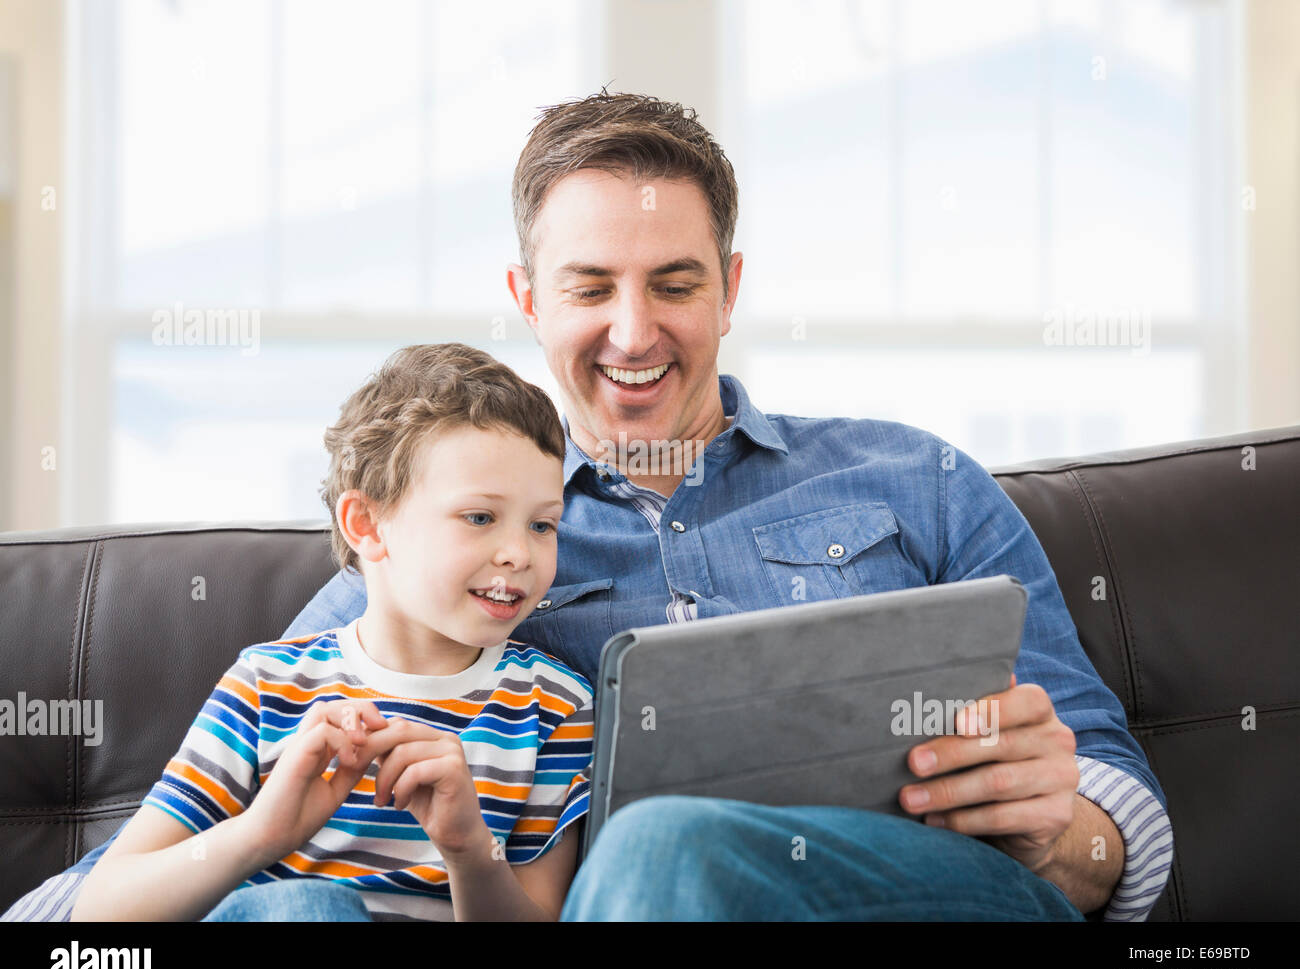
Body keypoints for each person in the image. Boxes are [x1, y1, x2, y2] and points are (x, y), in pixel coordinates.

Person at [7, 88, 1171, 923]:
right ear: (525, 296)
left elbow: (1113, 786)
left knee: (663, 842)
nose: (633, 332)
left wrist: (1071, 834)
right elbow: (181, 842)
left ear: (730, 290)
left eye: (674, 283)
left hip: (912, 891)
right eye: (588, 288)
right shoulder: (435, 552)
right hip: (617, 902)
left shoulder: (917, 481)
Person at [66, 344, 593, 921]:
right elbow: (103, 910)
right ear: (366, 524)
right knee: (305, 906)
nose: (519, 553)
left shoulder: (556, 706)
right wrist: (261, 834)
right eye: (480, 518)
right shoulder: (267, 686)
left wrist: (469, 850)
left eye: (542, 524)